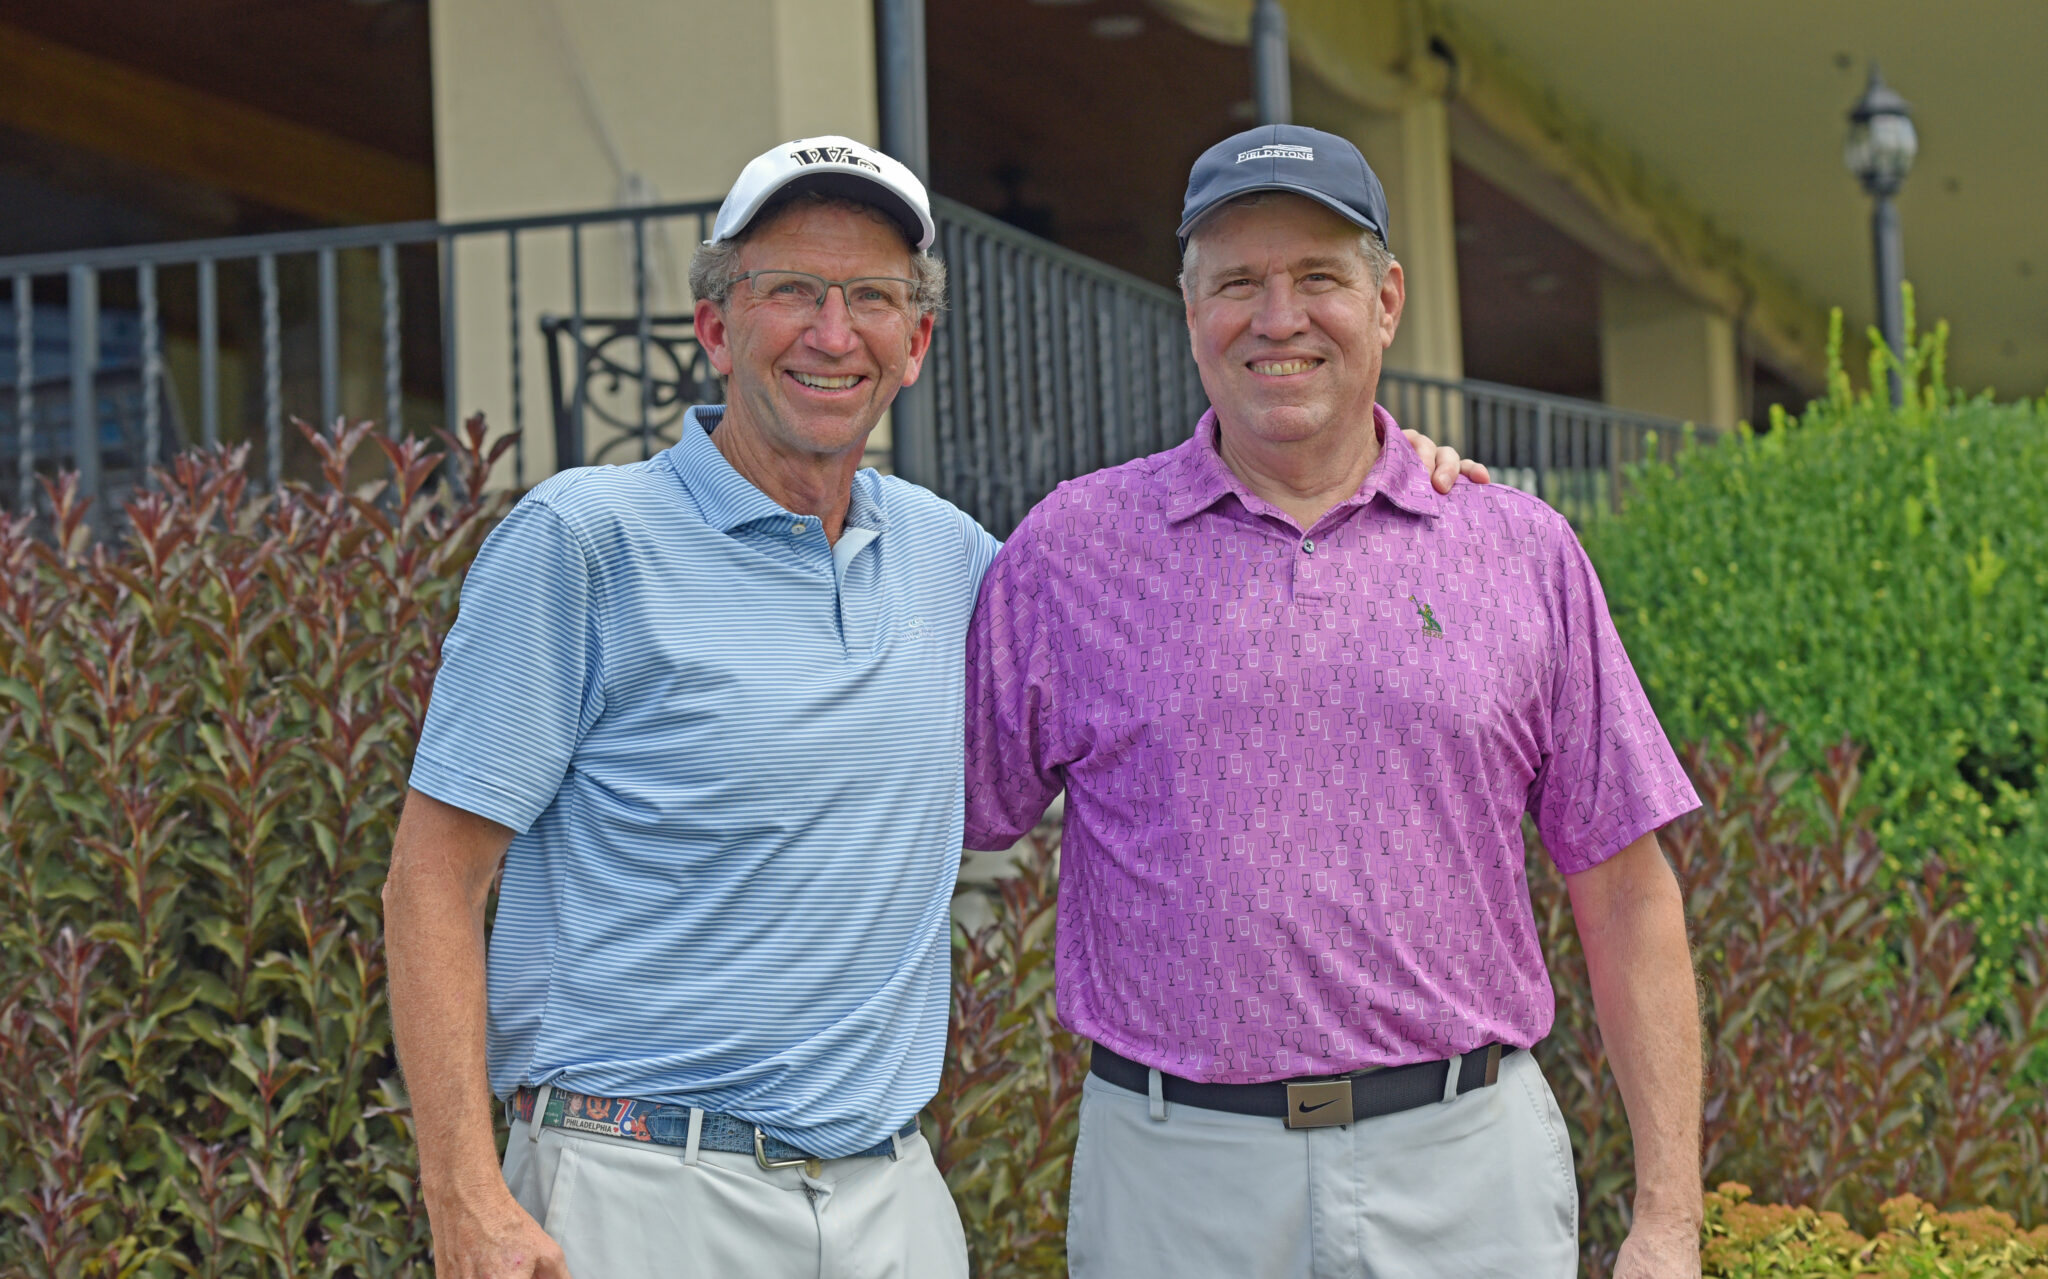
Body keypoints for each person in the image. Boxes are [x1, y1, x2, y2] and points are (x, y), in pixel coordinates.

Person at [382, 130, 1494, 1278]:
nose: (830, 332)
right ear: (714, 327)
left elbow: (1194, 625)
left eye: (871, 297)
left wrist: (1375, 465)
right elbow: (433, 875)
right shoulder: (582, 541)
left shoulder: (956, 560)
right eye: (789, 292)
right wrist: (463, 1188)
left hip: (885, 1203)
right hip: (635, 1187)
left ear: (913, 344)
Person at [962, 125, 1704, 1279]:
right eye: (1237, 282)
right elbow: (928, 824)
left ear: (1387, 298)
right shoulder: (1069, 551)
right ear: (1187, 303)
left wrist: (1667, 1218)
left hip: (1464, 1174)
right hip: (1173, 1183)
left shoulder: (1517, 551)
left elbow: (1624, 888)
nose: (1278, 317)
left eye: (1317, 277)